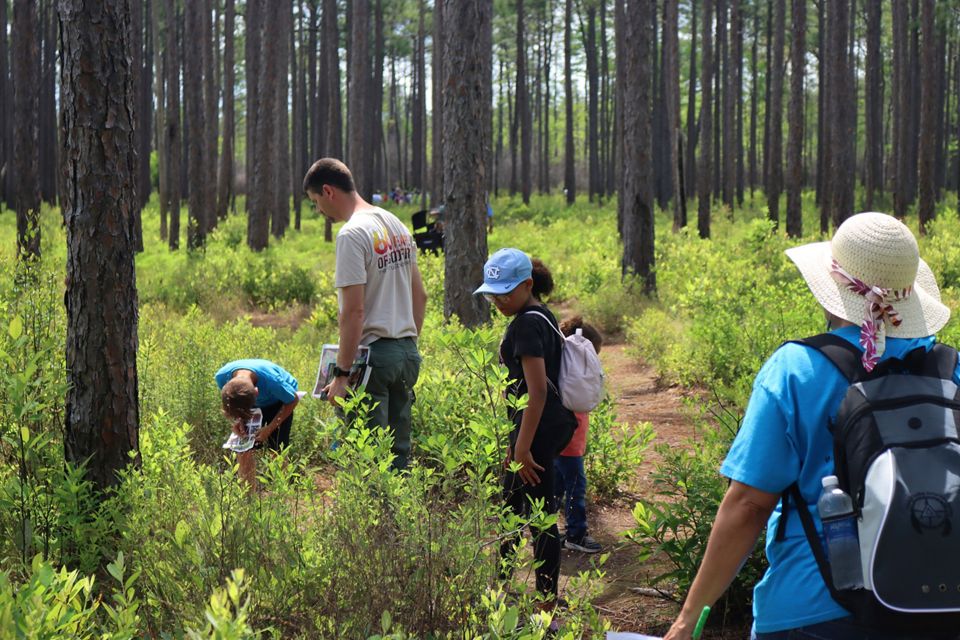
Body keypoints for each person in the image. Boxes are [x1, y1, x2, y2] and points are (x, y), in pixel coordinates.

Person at [664, 212, 958, 640]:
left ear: (834, 291)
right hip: (937, 605)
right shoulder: (949, 369)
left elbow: (748, 505)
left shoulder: (796, 369)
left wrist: (687, 620)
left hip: (812, 608)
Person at [303, 158, 428, 471]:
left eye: (315, 202)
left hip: (374, 357)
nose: (318, 210)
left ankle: (378, 521)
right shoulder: (396, 225)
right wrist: (406, 347)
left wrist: (342, 375)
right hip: (406, 352)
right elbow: (421, 295)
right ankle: (400, 518)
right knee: (399, 456)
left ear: (328, 191)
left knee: (370, 458)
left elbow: (353, 311)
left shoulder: (351, 235)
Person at [474, 249, 578, 607]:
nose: (498, 300)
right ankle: (502, 589)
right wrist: (514, 443)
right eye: (493, 293)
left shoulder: (527, 324)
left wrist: (522, 447)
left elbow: (536, 391)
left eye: (505, 292)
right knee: (515, 509)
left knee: (538, 515)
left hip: (535, 433)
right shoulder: (540, 316)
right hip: (533, 431)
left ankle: (545, 600)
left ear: (528, 285)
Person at [554, 316, 603, 554]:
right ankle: (576, 533)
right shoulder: (572, 367)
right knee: (575, 486)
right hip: (569, 442)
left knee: (557, 486)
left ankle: (543, 531)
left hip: (564, 439)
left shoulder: (565, 366)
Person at [216, 359, 300, 487]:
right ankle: (248, 498)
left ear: (257, 391)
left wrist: (269, 428)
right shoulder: (221, 377)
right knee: (244, 449)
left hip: (280, 402)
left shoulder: (272, 382)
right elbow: (235, 403)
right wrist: (239, 420)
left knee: (277, 451)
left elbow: (292, 400)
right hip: (251, 403)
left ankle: (282, 492)